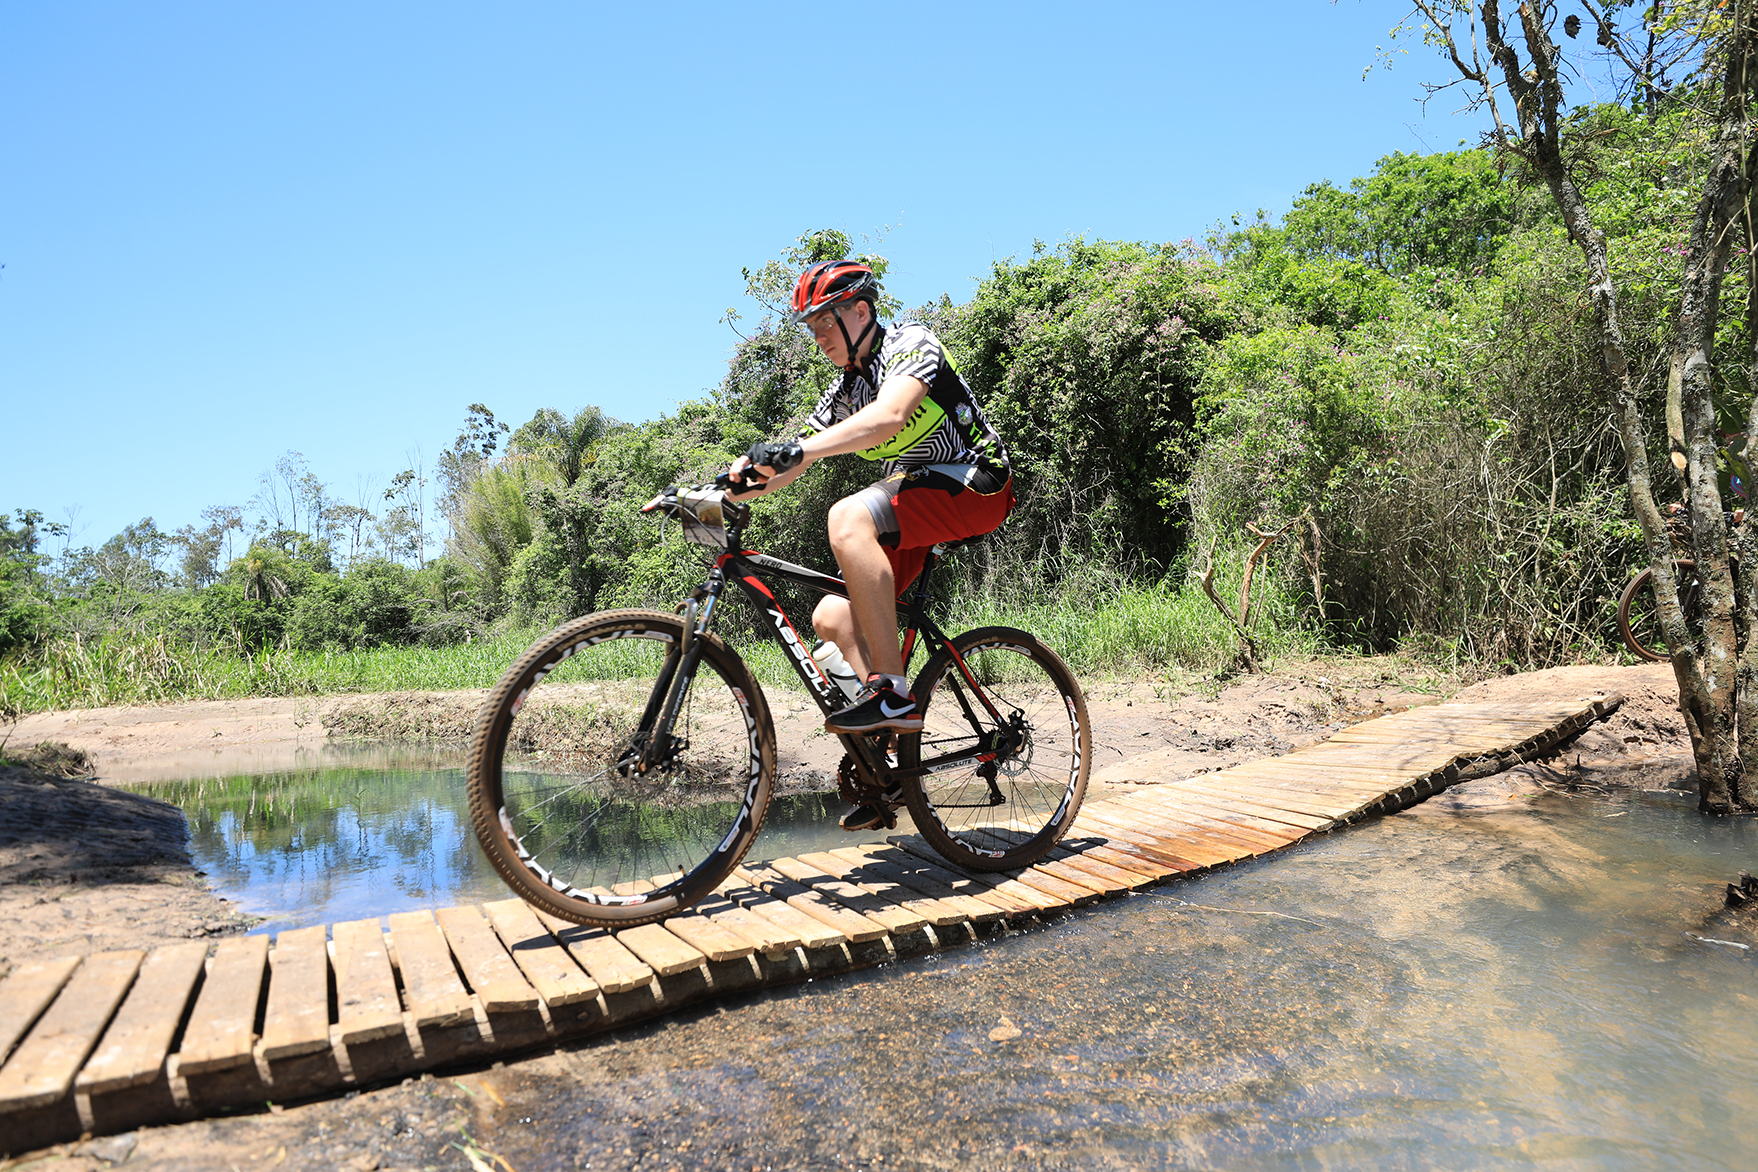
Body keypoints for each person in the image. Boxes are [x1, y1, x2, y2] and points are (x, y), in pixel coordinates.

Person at [728, 259, 1015, 830]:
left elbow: (889, 417)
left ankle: (894, 692)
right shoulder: (843, 390)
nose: (819, 338)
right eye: (810, 330)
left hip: (977, 485)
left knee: (847, 518)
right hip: (918, 498)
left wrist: (803, 451)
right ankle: (886, 757)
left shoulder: (912, 344)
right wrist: (727, 484)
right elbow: (791, 461)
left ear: (861, 311)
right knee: (832, 616)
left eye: (825, 324)